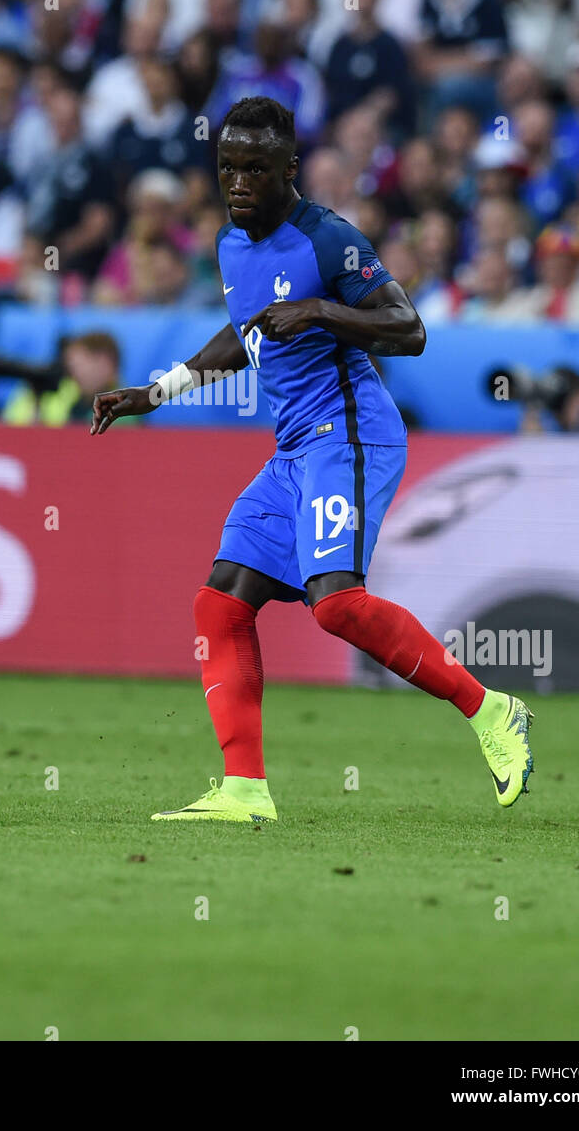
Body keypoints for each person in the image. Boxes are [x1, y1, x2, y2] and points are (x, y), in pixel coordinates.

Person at [92, 97, 534, 823]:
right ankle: (244, 790)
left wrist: (323, 310)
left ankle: (491, 711)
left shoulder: (328, 241)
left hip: (350, 435)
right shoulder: (232, 246)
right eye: (227, 167)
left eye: (254, 169)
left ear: (288, 169)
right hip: (295, 449)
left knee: (335, 607)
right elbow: (247, 334)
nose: (237, 183)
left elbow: (408, 328)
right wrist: (157, 390)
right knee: (221, 602)